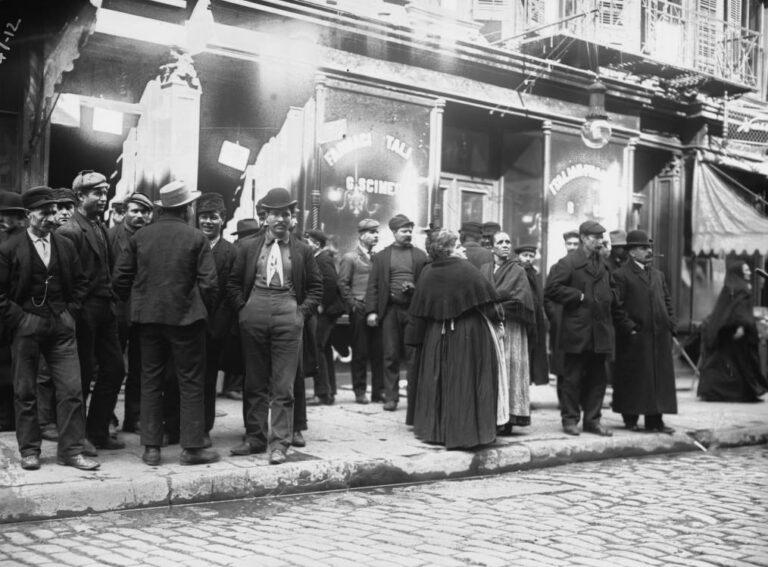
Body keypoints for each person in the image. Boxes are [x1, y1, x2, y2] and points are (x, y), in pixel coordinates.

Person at [112, 180, 220, 466]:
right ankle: (192, 448)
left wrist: (135, 306)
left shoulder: (140, 237)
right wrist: (202, 311)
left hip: (147, 320)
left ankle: (151, 448)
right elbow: (210, 285)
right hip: (186, 320)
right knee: (191, 383)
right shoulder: (197, 238)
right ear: (187, 208)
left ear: (162, 208)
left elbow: (120, 279)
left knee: (149, 381)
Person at [0, 186, 99, 470]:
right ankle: (29, 450)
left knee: (71, 390)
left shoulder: (65, 245)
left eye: (54, 212)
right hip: (26, 328)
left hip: (61, 327)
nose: (51, 218)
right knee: (25, 391)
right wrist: (21, 320)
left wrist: (69, 314)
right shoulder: (9, 249)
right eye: (44, 212)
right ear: (29, 215)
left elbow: (81, 283)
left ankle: (71, 451)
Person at [226, 187, 322, 465]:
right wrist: (243, 310)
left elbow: (317, 287)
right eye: (275, 214)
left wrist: (301, 313)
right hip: (253, 313)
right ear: (265, 216)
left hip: (288, 313)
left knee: (284, 385)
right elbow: (232, 283)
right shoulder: (246, 247)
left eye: (287, 214)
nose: (281, 219)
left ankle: (280, 443)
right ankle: (255, 437)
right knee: (254, 381)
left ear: (293, 218)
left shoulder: (302, 249)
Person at [408, 229, 502, 449]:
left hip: (435, 336)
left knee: (438, 379)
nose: (462, 249)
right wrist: (498, 323)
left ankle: (436, 431)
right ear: (449, 249)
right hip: (467, 333)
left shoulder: (427, 272)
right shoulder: (467, 269)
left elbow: (419, 313)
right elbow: (490, 305)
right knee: (465, 379)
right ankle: (465, 432)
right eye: (458, 246)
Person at [58, 170, 126, 453]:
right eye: (97, 192)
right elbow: (64, 279)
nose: (103, 197)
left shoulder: (99, 227)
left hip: (104, 309)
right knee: (81, 375)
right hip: (83, 310)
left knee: (114, 369)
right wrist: (74, 311)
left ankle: (97, 431)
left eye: (105, 191)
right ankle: (77, 437)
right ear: (80, 197)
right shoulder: (69, 231)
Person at [544, 220, 618, 437]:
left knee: (598, 379)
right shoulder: (568, 263)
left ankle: (592, 420)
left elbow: (613, 287)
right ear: (584, 238)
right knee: (572, 378)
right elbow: (552, 289)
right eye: (596, 238)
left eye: (601, 238)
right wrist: (578, 296)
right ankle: (570, 419)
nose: (600, 242)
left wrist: (609, 298)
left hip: (600, 329)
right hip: (577, 329)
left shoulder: (603, 263)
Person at [612, 230, 677, 433]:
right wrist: (629, 328)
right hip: (636, 337)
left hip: (659, 336)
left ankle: (655, 420)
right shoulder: (621, 275)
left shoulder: (658, 275)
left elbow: (666, 300)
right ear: (632, 252)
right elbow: (616, 306)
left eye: (649, 247)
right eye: (643, 248)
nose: (648, 251)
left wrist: (670, 322)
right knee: (635, 378)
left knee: (657, 380)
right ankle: (630, 418)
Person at [365, 213, 429, 414]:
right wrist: (372, 311)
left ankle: (414, 399)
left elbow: (427, 285)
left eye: (410, 230)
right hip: (390, 310)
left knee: (413, 356)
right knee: (390, 355)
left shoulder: (421, 256)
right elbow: (373, 285)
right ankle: (391, 398)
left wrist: (415, 288)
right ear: (394, 232)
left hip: (412, 310)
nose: (408, 234)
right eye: (404, 231)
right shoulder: (382, 256)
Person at [107, 192, 153, 435]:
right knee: (112, 366)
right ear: (125, 212)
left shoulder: (151, 237)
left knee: (141, 365)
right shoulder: (110, 236)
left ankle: (134, 417)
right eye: (134, 211)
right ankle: (107, 414)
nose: (139, 216)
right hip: (117, 309)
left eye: (144, 212)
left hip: (144, 311)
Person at [480, 231, 534, 435]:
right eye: (500, 242)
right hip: (489, 324)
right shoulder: (484, 269)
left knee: (510, 368)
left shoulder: (517, 270)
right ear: (492, 247)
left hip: (511, 325)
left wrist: (497, 307)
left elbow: (522, 299)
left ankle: (509, 417)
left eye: (508, 242)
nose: (505, 245)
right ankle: (491, 415)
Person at [195, 193, 236, 446]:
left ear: (223, 220)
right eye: (203, 217)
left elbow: (231, 291)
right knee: (179, 377)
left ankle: (204, 428)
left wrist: (216, 327)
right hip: (188, 324)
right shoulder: (190, 243)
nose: (208, 222)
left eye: (213, 217)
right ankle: (177, 424)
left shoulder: (230, 252)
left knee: (208, 380)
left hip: (214, 328)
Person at [698, 259, 768, 402]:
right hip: (736, 334)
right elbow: (740, 311)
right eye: (746, 270)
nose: (749, 272)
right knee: (739, 364)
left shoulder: (729, 289)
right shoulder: (742, 290)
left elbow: (727, 312)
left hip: (727, 334)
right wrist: (742, 325)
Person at [338, 218, 384, 404]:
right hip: (360, 308)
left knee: (378, 351)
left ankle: (378, 392)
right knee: (360, 352)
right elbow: (342, 283)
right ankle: (360, 391)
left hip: (377, 310)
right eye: (372, 232)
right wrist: (353, 305)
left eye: (377, 232)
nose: (376, 236)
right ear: (361, 235)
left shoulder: (378, 257)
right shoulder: (351, 258)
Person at [305, 228, 346, 406]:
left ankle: (322, 393)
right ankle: (329, 392)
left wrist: (321, 304)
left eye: (307, 240)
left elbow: (330, 282)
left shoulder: (322, 259)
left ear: (316, 244)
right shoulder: (321, 258)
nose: (304, 243)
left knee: (318, 348)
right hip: (329, 310)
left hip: (327, 311)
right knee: (325, 349)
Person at [544, 230, 580, 402]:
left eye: (575, 244)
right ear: (565, 245)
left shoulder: (584, 267)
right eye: (569, 244)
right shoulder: (557, 267)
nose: (572, 247)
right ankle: (563, 399)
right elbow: (548, 295)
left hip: (580, 323)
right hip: (561, 324)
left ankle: (579, 400)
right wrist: (554, 316)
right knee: (561, 364)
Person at [514, 238, 549, 387]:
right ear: (518, 256)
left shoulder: (534, 274)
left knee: (532, 357)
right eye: (525, 255)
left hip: (536, 321)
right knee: (522, 358)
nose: (528, 259)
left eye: (531, 256)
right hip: (523, 319)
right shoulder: (515, 272)